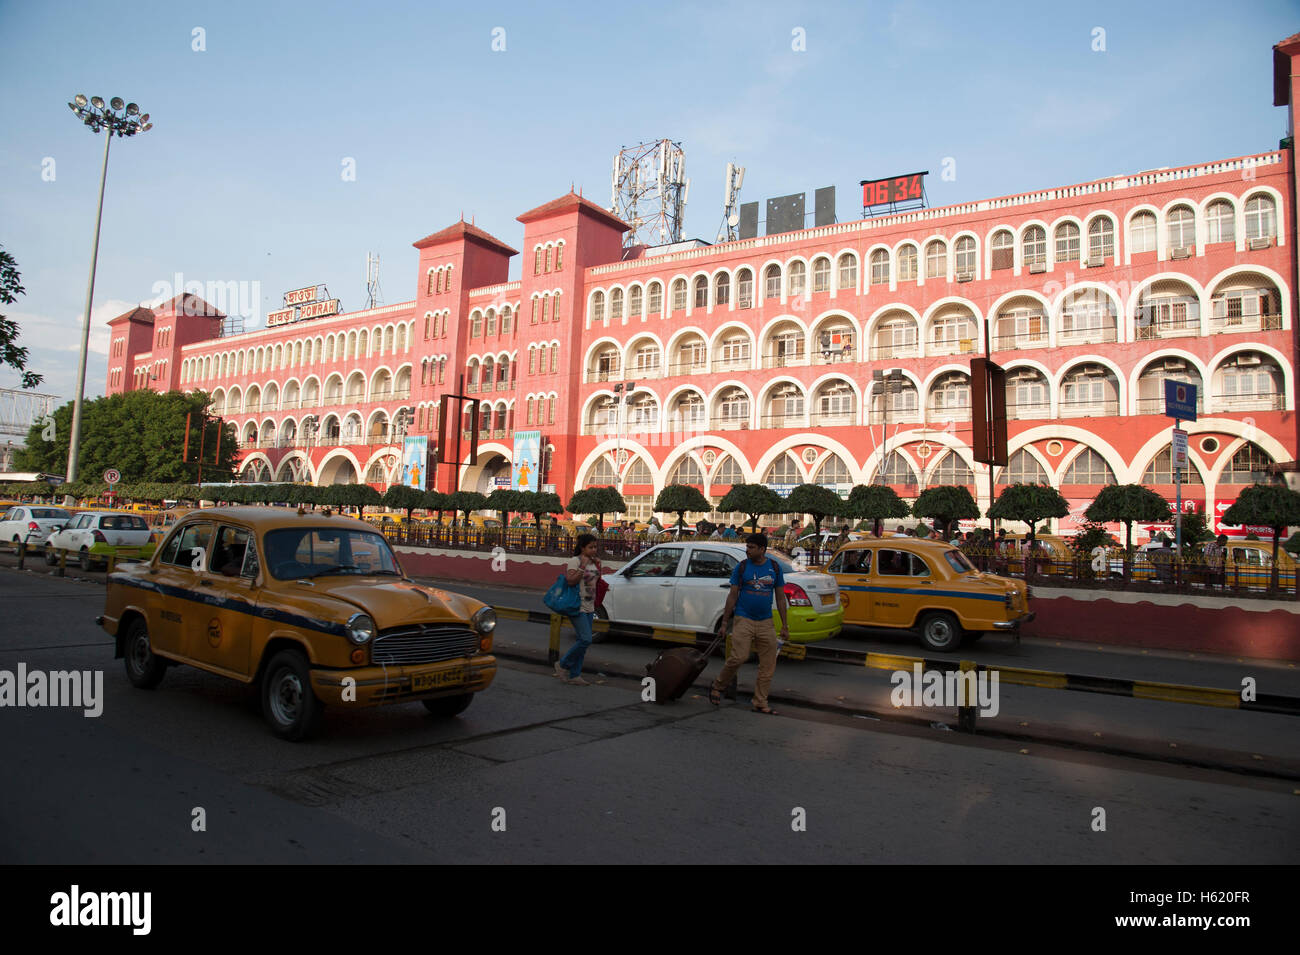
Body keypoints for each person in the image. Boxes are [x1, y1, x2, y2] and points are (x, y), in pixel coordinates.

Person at [710, 534, 790, 715]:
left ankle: (760, 702)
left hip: (766, 621)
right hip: (743, 619)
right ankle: (718, 685)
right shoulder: (742, 567)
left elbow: (780, 598)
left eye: (752, 547)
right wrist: (724, 623)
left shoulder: (774, 568)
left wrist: (785, 626)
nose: (748, 550)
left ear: (762, 549)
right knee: (739, 657)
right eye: (747, 546)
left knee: (768, 664)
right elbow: (732, 596)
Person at [555, 533, 601, 686]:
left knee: (583, 641)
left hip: (590, 606)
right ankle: (562, 664)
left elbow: (594, 583)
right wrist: (582, 565)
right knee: (586, 639)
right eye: (590, 547)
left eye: (595, 547)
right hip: (577, 605)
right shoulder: (575, 561)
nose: (594, 550)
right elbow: (570, 580)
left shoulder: (594, 563)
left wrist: (597, 566)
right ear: (582, 547)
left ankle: (575, 675)